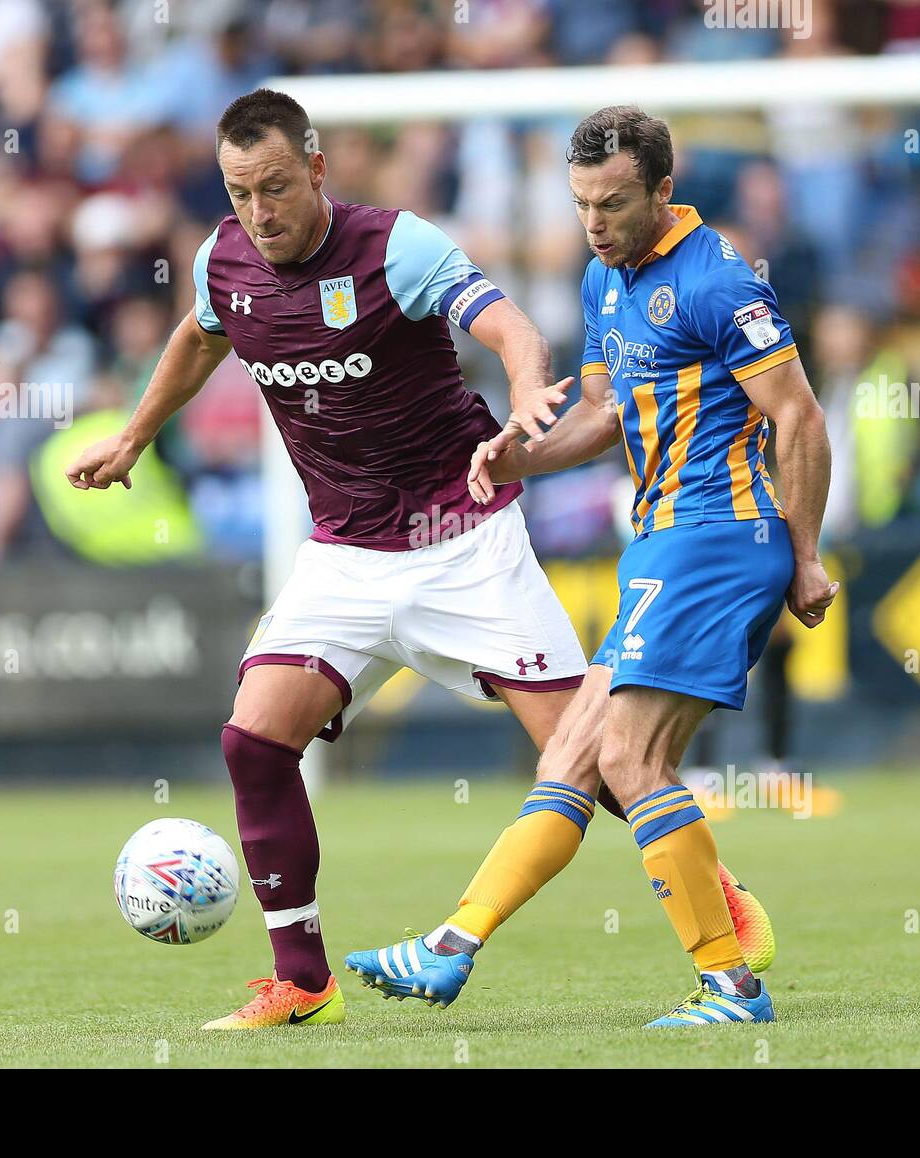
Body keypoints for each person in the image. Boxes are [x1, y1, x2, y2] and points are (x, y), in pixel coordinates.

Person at [64, 89, 776, 1030]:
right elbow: (203, 337)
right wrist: (136, 437)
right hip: (344, 554)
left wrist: (524, 398)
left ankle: (719, 902)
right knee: (251, 740)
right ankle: (302, 983)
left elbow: (511, 327)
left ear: (316, 169)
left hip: (464, 540)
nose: (259, 212)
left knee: (597, 759)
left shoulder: (397, 245)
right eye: (239, 192)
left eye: (275, 187)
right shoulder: (222, 260)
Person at [350, 106, 838, 1029]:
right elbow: (605, 413)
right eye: (581, 205)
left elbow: (799, 417)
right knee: (574, 754)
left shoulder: (717, 279)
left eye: (614, 203)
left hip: (718, 537)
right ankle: (451, 947)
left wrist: (805, 555)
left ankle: (732, 987)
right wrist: (514, 455)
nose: (596, 222)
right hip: (659, 539)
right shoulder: (602, 282)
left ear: (662, 188)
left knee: (630, 755)